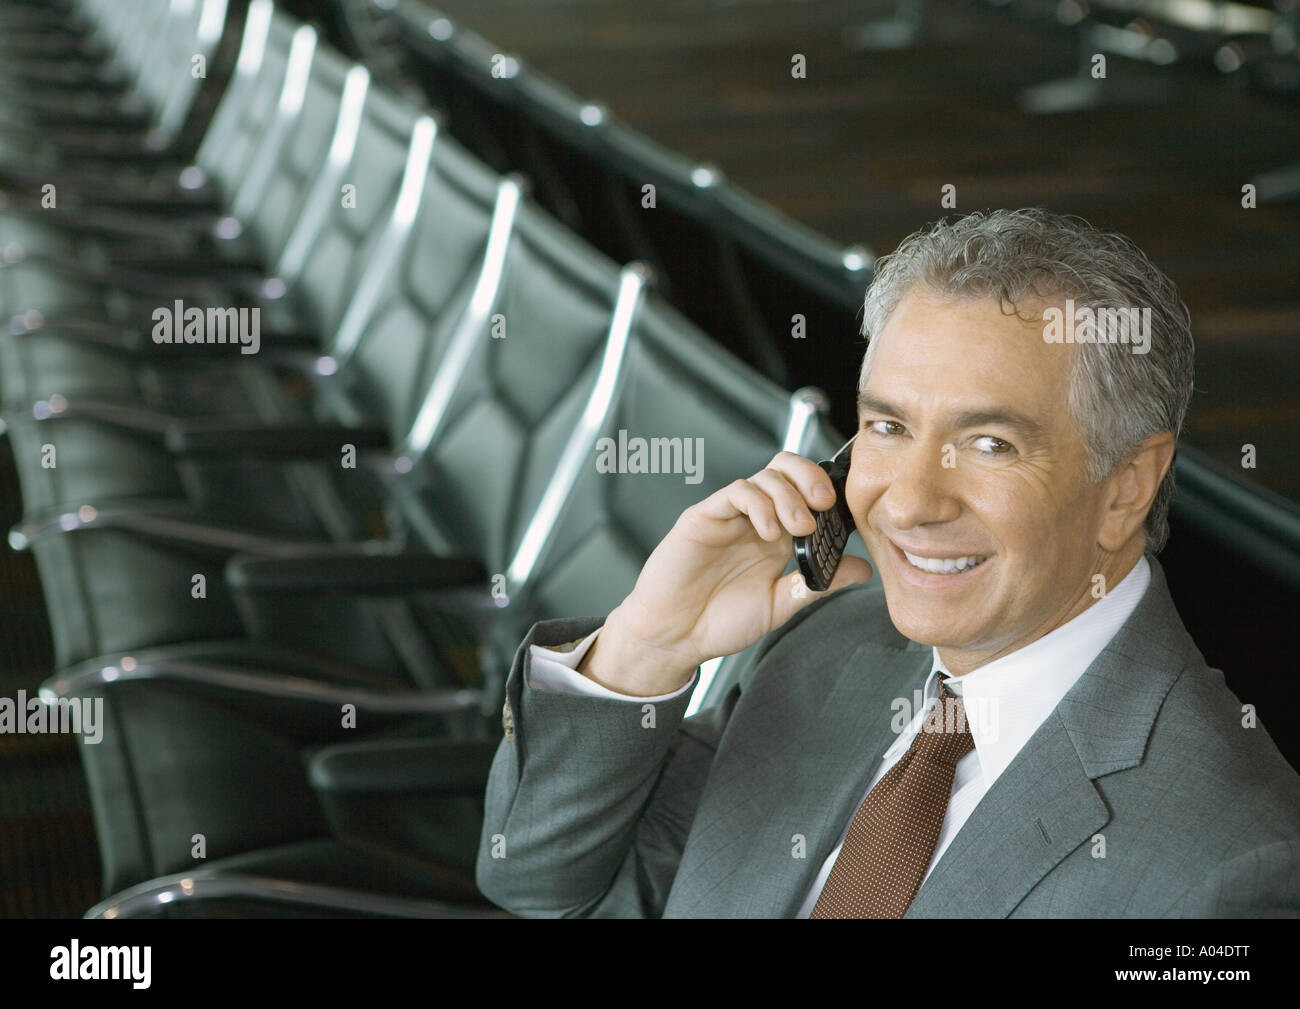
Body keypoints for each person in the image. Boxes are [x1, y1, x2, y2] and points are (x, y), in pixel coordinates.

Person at [475, 207, 1300, 917]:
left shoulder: (1231, 865)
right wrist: (647, 646)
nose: (908, 503)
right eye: (889, 427)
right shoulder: (825, 651)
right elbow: (545, 886)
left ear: (1127, 486)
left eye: (990, 443)